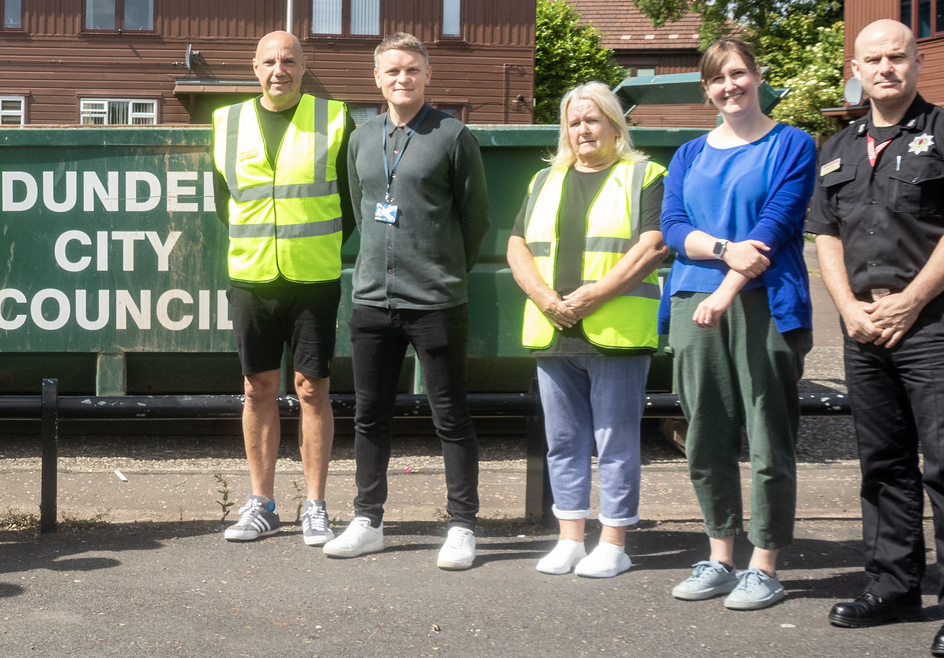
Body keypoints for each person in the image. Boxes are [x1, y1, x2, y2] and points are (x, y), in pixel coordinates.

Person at [809, 19, 944, 658]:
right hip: (864, 327)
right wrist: (847, 307)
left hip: (933, 326)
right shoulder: (837, 147)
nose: (885, 68)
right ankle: (892, 585)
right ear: (856, 70)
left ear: (917, 62)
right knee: (884, 463)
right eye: (873, 59)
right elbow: (826, 235)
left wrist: (911, 301)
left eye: (897, 56)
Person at [659, 38, 817, 611]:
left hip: (766, 304)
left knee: (769, 435)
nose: (730, 86)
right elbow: (673, 226)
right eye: (717, 79)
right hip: (692, 303)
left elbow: (776, 224)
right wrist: (725, 250)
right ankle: (720, 557)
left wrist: (727, 288)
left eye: (738, 73)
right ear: (707, 90)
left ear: (758, 75)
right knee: (706, 434)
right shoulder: (688, 154)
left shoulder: (793, 144)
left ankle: (764, 564)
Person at [323, 33, 490, 568]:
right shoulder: (360, 138)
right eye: (392, 71)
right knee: (369, 416)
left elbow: (475, 219)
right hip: (373, 299)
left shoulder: (453, 135)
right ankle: (367, 520)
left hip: (435, 300)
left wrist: (442, 272)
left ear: (427, 75)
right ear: (377, 78)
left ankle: (462, 525)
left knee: (451, 417)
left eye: (412, 69)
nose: (403, 78)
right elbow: (361, 206)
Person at [505, 82, 666, 579]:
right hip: (554, 330)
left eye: (593, 119)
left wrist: (594, 295)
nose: (583, 129)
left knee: (615, 441)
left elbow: (653, 246)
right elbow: (517, 246)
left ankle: (614, 543)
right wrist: (543, 297)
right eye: (574, 122)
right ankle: (570, 539)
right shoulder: (544, 180)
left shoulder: (644, 175)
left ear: (615, 125)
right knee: (563, 441)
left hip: (616, 333)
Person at [211, 30, 353, 545]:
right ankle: (262, 504)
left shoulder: (334, 117)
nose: (279, 70)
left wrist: (313, 245)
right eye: (269, 61)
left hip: (313, 276)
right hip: (252, 278)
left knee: (313, 390)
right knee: (258, 389)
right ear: (255, 68)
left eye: (289, 61)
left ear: (303, 66)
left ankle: (315, 505)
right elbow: (224, 200)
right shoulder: (226, 122)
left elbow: (350, 204)